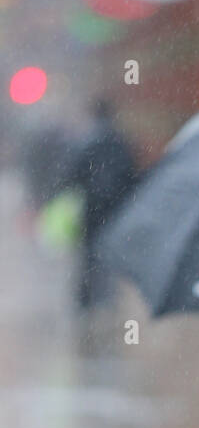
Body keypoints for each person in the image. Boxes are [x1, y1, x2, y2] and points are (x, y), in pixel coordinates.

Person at [68, 99, 137, 312]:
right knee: (109, 250)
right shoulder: (120, 141)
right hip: (114, 207)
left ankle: (86, 298)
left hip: (92, 207)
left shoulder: (87, 141)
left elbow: (74, 173)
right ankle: (106, 297)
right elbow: (131, 173)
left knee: (88, 254)